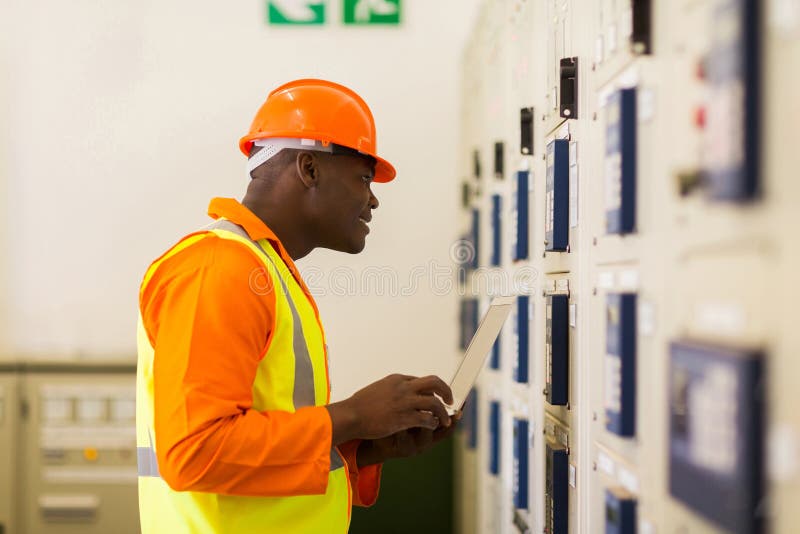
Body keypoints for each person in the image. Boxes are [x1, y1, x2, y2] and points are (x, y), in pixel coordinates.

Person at [135, 79, 458, 533]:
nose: (372, 198)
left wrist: (364, 444)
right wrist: (353, 415)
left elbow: (260, 445)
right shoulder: (219, 269)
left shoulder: (264, 269)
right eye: (364, 177)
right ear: (309, 167)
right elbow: (196, 452)